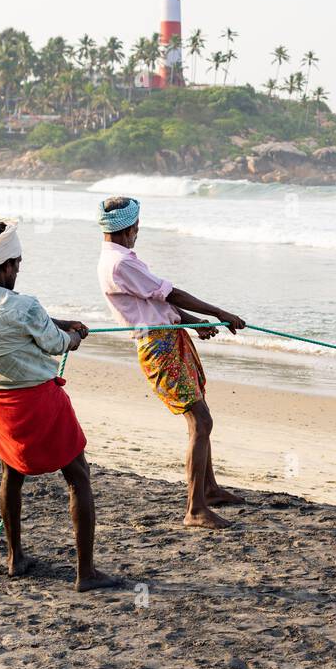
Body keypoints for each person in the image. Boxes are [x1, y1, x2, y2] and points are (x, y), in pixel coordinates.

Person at [0, 220, 116, 592]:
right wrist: (73, 335)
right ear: (5, 266)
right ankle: (85, 573)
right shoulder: (25, 305)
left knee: (12, 474)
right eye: (17, 265)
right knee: (78, 476)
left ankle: (15, 557)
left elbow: (23, 323)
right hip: (38, 402)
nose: (18, 271)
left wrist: (59, 324)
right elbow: (57, 344)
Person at [95, 196, 249, 529]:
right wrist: (219, 313)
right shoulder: (120, 264)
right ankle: (195, 509)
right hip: (159, 347)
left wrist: (193, 322)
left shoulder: (119, 258)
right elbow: (170, 294)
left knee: (201, 412)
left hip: (170, 338)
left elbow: (158, 302)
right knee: (200, 421)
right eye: (137, 226)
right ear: (130, 227)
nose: (138, 231)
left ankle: (209, 488)